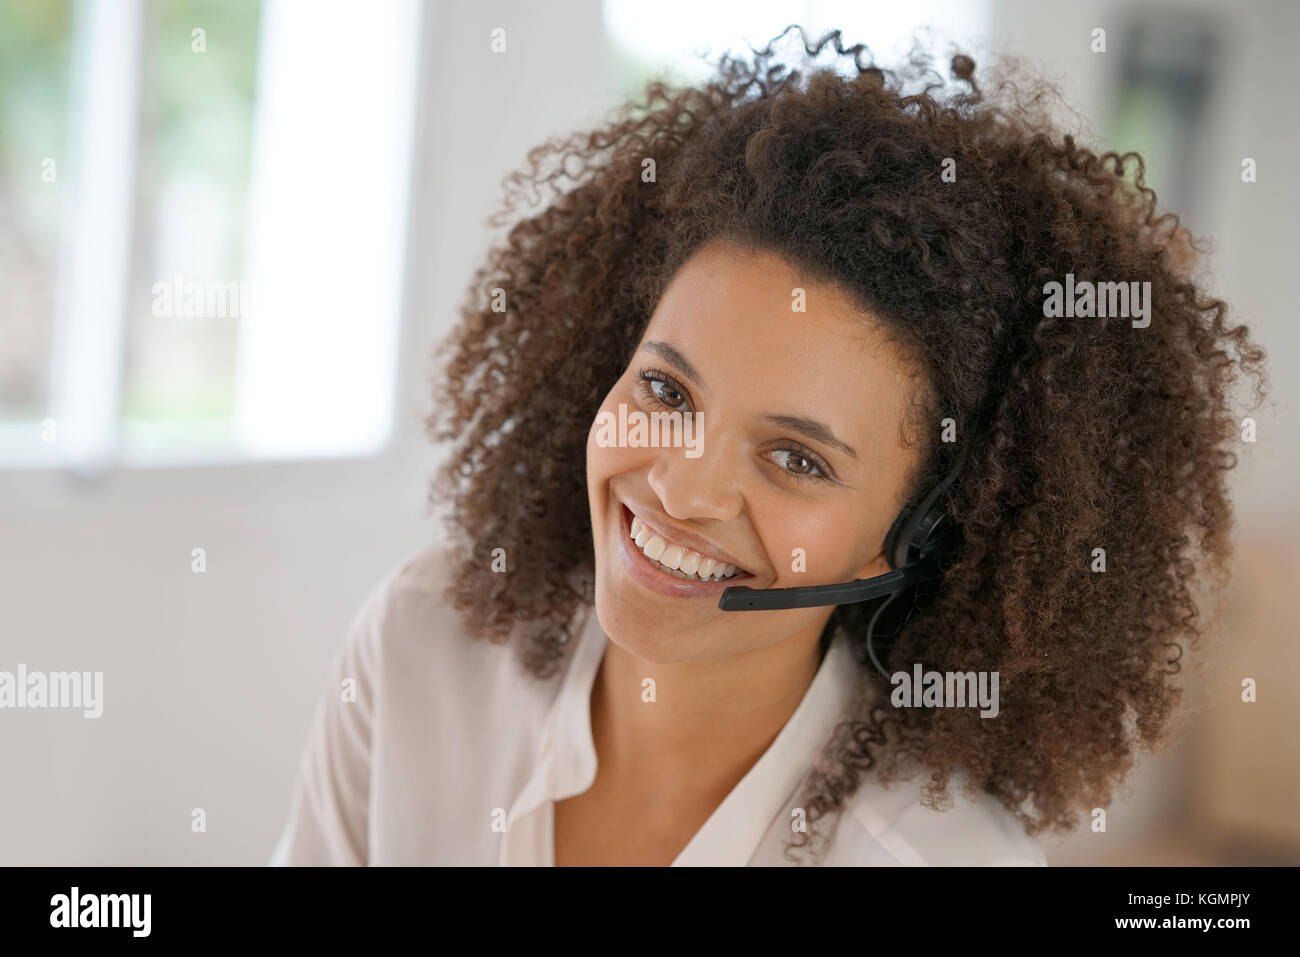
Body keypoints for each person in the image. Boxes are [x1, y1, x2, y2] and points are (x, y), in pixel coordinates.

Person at [269, 27, 1267, 866]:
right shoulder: (421, 647)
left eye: (797, 459)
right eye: (665, 388)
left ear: (908, 539)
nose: (681, 486)